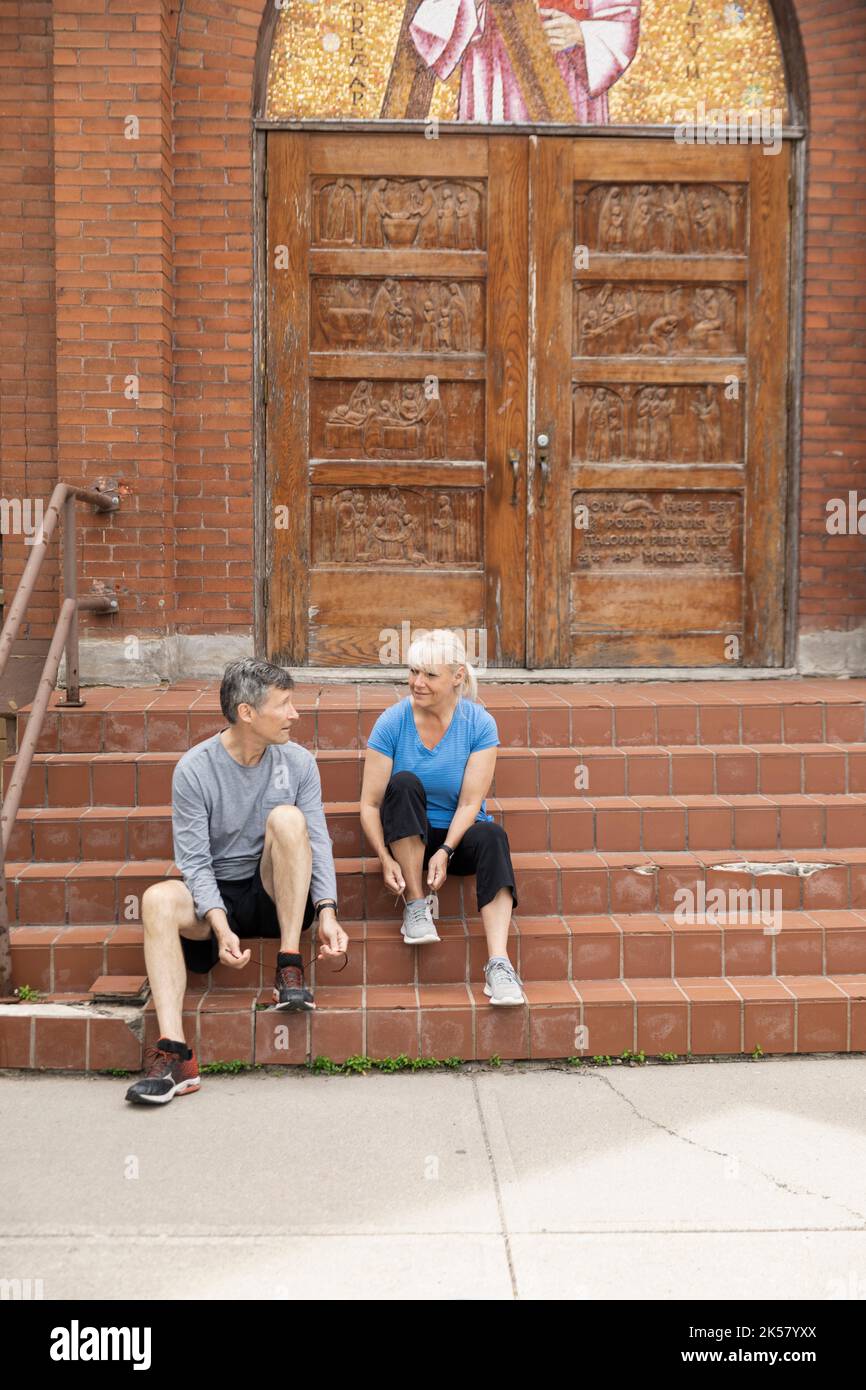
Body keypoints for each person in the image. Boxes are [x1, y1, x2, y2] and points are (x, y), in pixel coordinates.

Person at [125, 659, 348, 1105]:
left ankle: (289, 966)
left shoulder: (298, 763)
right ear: (247, 713)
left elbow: (316, 840)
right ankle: (175, 1056)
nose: (294, 715)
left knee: (289, 818)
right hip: (216, 897)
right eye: (284, 705)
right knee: (156, 899)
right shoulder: (194, 770)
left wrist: (327, 909)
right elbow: (193, 861)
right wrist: (220, 924)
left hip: (272, 890)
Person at [360, 628, 525, 1005]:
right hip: (406, 835)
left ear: (457, 677)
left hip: (455, 836)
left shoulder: (479, 723)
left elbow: (470, 803)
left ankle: (498, 964)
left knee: (494, 836)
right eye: (413, 671)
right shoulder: (392, 721)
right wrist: (385, 859)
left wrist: (447, 850)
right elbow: (369, 804)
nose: (417, 683)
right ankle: (416, 906)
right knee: (402, 783)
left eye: (430, 675)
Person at [408, 0, 641, 124]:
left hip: (569, 75)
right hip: (496, 72)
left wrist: (581, 33)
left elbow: (622, 18)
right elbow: (432, 19)